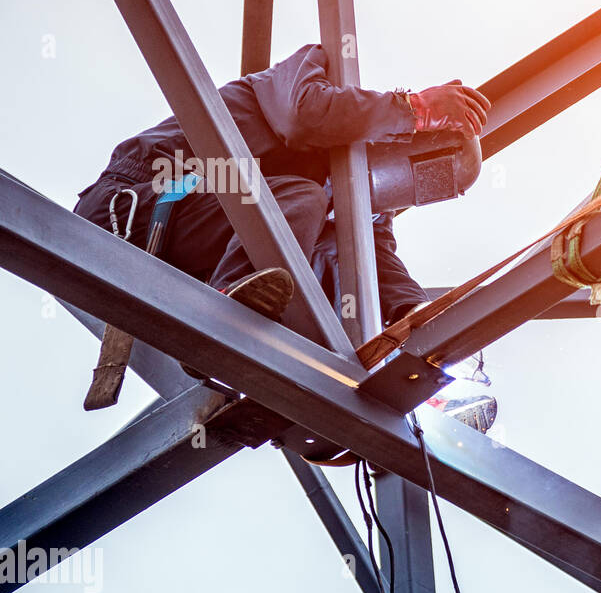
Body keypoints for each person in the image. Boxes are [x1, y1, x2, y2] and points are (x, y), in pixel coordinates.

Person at [74, 44, 498, 430]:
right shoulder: (314, 76)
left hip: (183, 250)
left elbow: (377, 265)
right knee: (299, 199)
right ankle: (227, 317)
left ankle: (309, 375)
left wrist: (426, 321)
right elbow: (302, 114)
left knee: (339, 263)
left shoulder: (356, 206)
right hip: (138, 203)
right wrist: (415, 109)